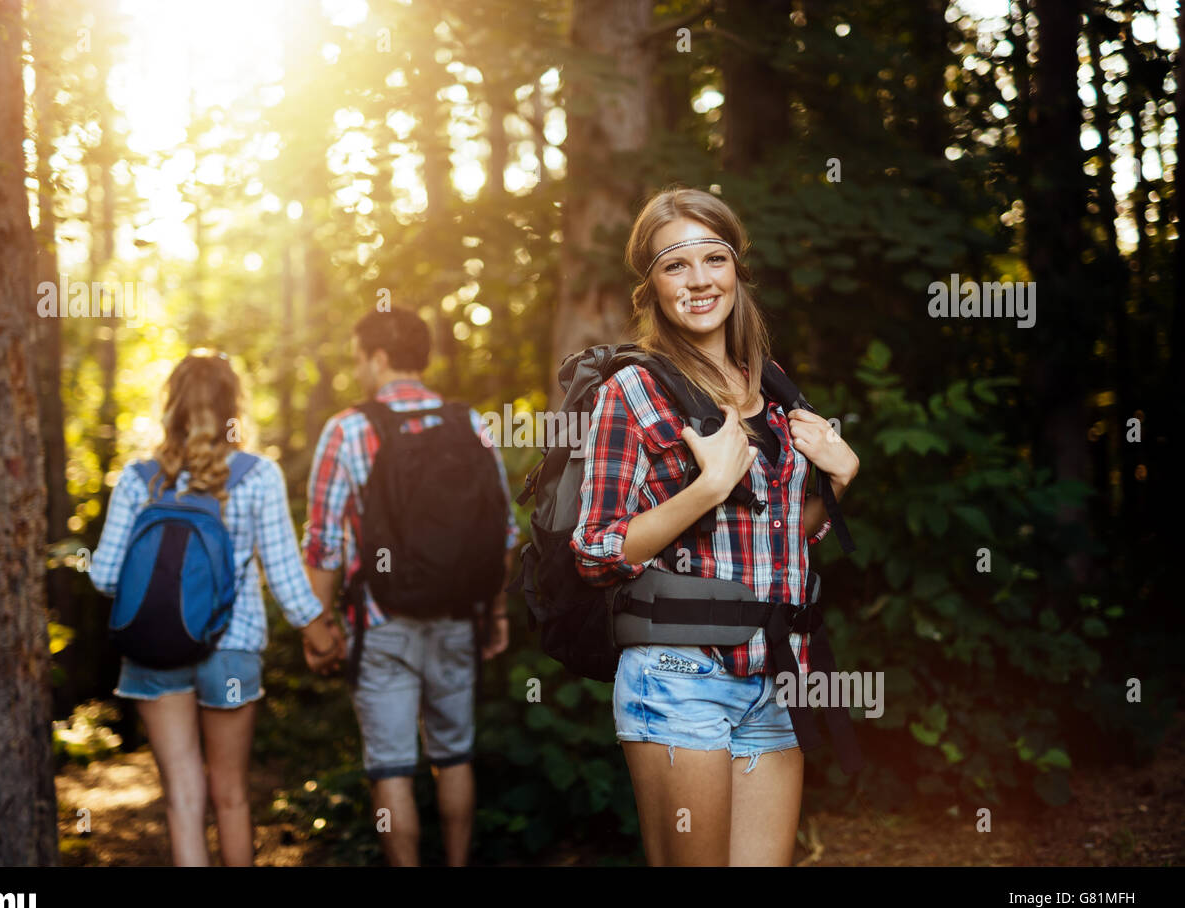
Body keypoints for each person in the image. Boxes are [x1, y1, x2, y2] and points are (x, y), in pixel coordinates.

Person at [571, 186, 860, 866]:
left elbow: (783, 536)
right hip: (678, 674)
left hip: (772, 673)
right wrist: (707, 488)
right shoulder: (631, 391)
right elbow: (594, 551)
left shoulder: (771, 385)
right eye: (676, 265)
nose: (699, 280)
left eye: (714, 258)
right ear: (651, 284)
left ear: (737, 268)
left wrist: (842, 485)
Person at [89, 350, 327, 866]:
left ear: (170, 407)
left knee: (182, 797)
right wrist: (319, 631)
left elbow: (106, 575)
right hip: (231, 648)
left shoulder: (137, 480)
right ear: (233, 407)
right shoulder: (258, 476)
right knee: (232, 796)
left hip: (154, 650)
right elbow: (285, 576)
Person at [300, 306, 519, 867]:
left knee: (392, 766)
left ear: (377, 357)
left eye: (359, 359)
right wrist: (494, 615)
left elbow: (324, 542)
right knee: (455, 756)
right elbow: (503, 532)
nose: (359, 371)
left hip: (380, 623)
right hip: (457, 616)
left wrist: (318, 625)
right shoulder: (469, 423)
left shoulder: (348, 428)